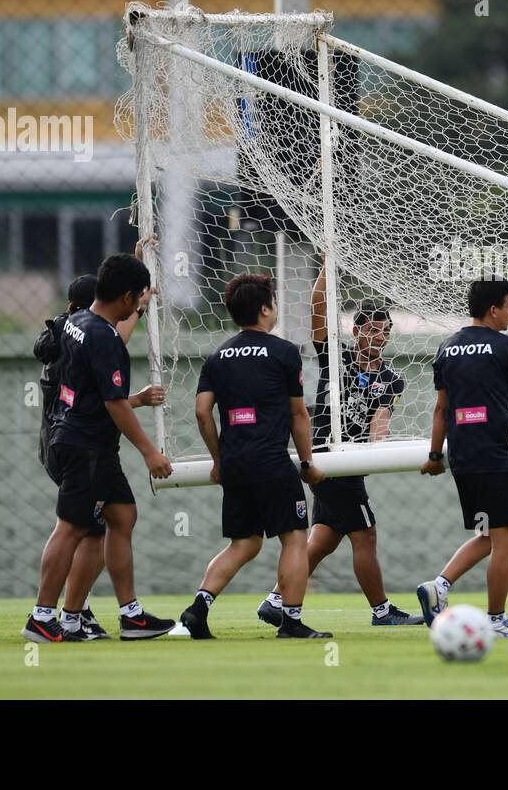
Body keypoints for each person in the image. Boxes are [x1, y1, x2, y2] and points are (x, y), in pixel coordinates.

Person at [258, 259, 421, 628]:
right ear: (357, 330)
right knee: (365, 534)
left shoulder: (393, 380)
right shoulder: (337, 358)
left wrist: (384, 445)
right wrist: (329, 264)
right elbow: (318, 309)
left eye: (386, 331)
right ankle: (382, 611)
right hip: (329, 458)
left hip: (354, 462)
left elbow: (380, 423)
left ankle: (274, 600)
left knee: (325, 539)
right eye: (374, 330)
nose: (381, 337)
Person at [23, 252, 174, 643]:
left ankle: (122, 616)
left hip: (79, 439)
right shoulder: (103, 337)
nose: (142, 303)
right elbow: (113, 403)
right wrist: (150, 452)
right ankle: (42, 617)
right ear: (125, 297)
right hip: (86, 444)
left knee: (121, 516)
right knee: (73, 528)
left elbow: (98, 384)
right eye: (139, 298)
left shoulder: (75, 321)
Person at [180, 273, 332, 640]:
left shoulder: (218, 357)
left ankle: (198, 607)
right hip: (271, 462)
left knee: (244, 543)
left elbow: (202, 412)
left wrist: (220, 460)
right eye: (274, 302)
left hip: (235, 463)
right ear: (265, 309)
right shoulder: (283, 352)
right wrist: (308, 464)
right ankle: (291, 622)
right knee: (295, 538)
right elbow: (299, 414)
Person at [416, 276, 508, 639]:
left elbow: (440, 409)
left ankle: (439, 586)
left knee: (487, 535)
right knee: (507, 537)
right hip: (492, 455)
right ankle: (496, 620)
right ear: (493, 309)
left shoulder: (447, 347)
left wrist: (435, 455)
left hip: (462, 455)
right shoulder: (506, 346)